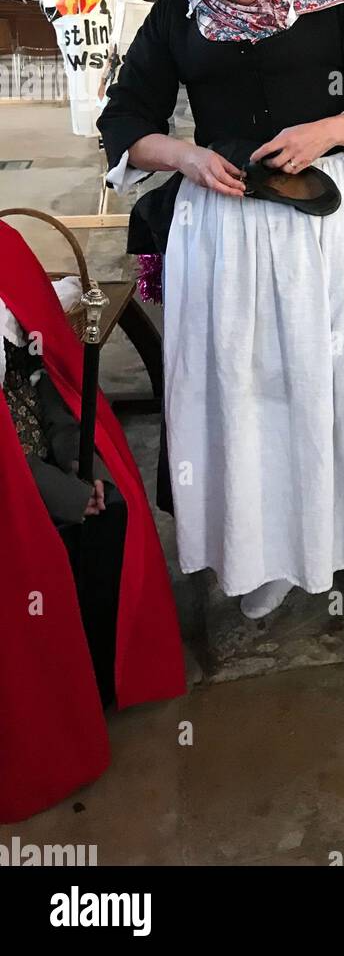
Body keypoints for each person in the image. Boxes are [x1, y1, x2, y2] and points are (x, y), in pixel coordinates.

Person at [97, 0, 344, 660]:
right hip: (228, 232)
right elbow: (125, 118)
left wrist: (332, 128)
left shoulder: (333, 3)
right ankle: (263, 552)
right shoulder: (177, 15)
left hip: (336, 232)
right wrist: (180, 155)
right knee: (251, 391)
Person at [0, 221, 185, 822]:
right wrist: (61, 494)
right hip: (17, 495)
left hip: (41, 462)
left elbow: (42, 374)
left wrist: (81, 458)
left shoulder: (6, 248)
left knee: (118, 511)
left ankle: (100, 680)